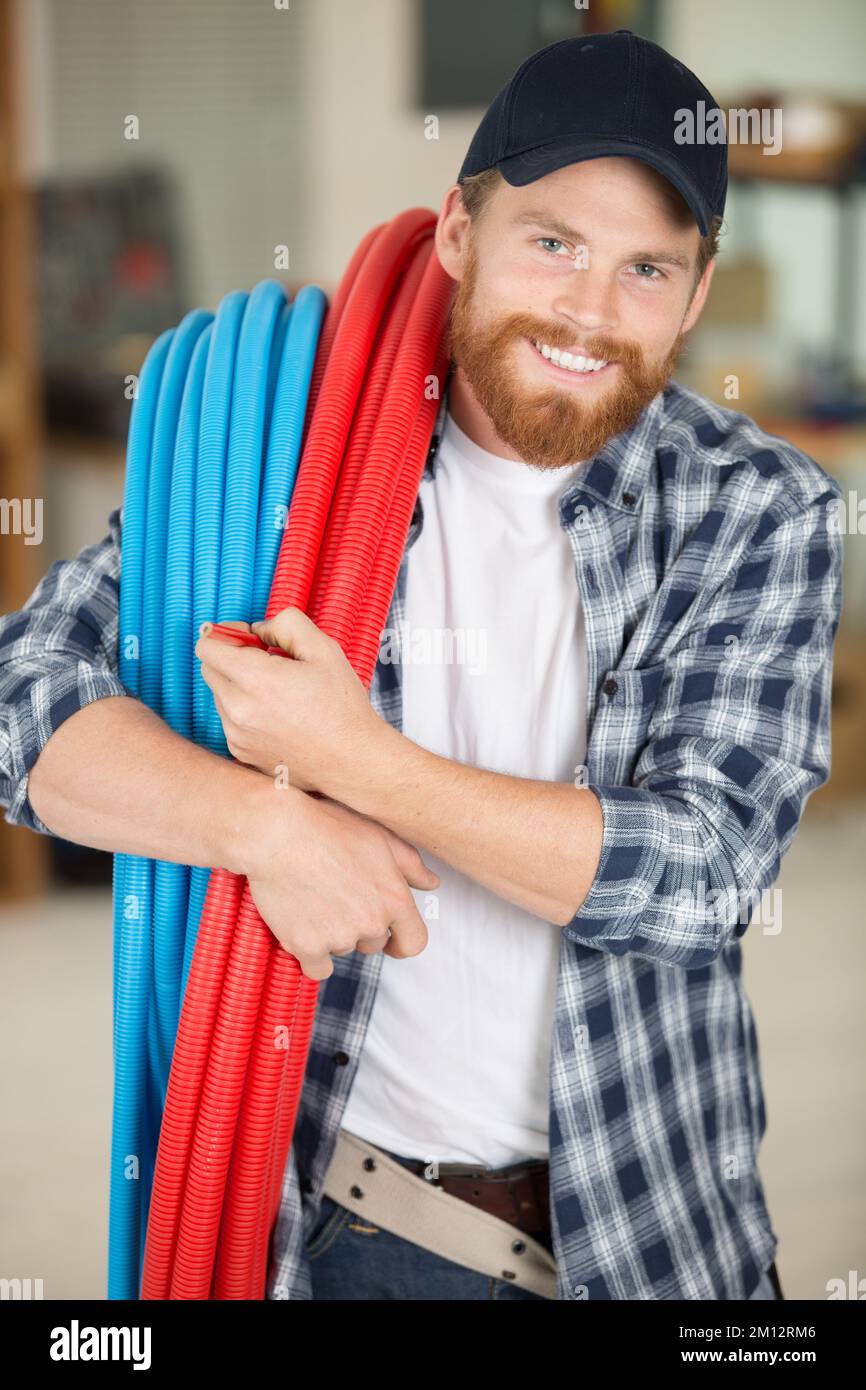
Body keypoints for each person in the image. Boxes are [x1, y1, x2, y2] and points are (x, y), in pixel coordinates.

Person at [0, 32, 841, 1301]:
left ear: (695, 290)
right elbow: (22, 708)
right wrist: (261, 824)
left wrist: (353, 765)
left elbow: (702, 873)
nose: (588, 312)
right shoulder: (286, 463)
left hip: (669, 1233)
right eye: (551, 242)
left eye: (644, 268)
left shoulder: (759, 510)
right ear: (457, 231)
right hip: (361, 1232)